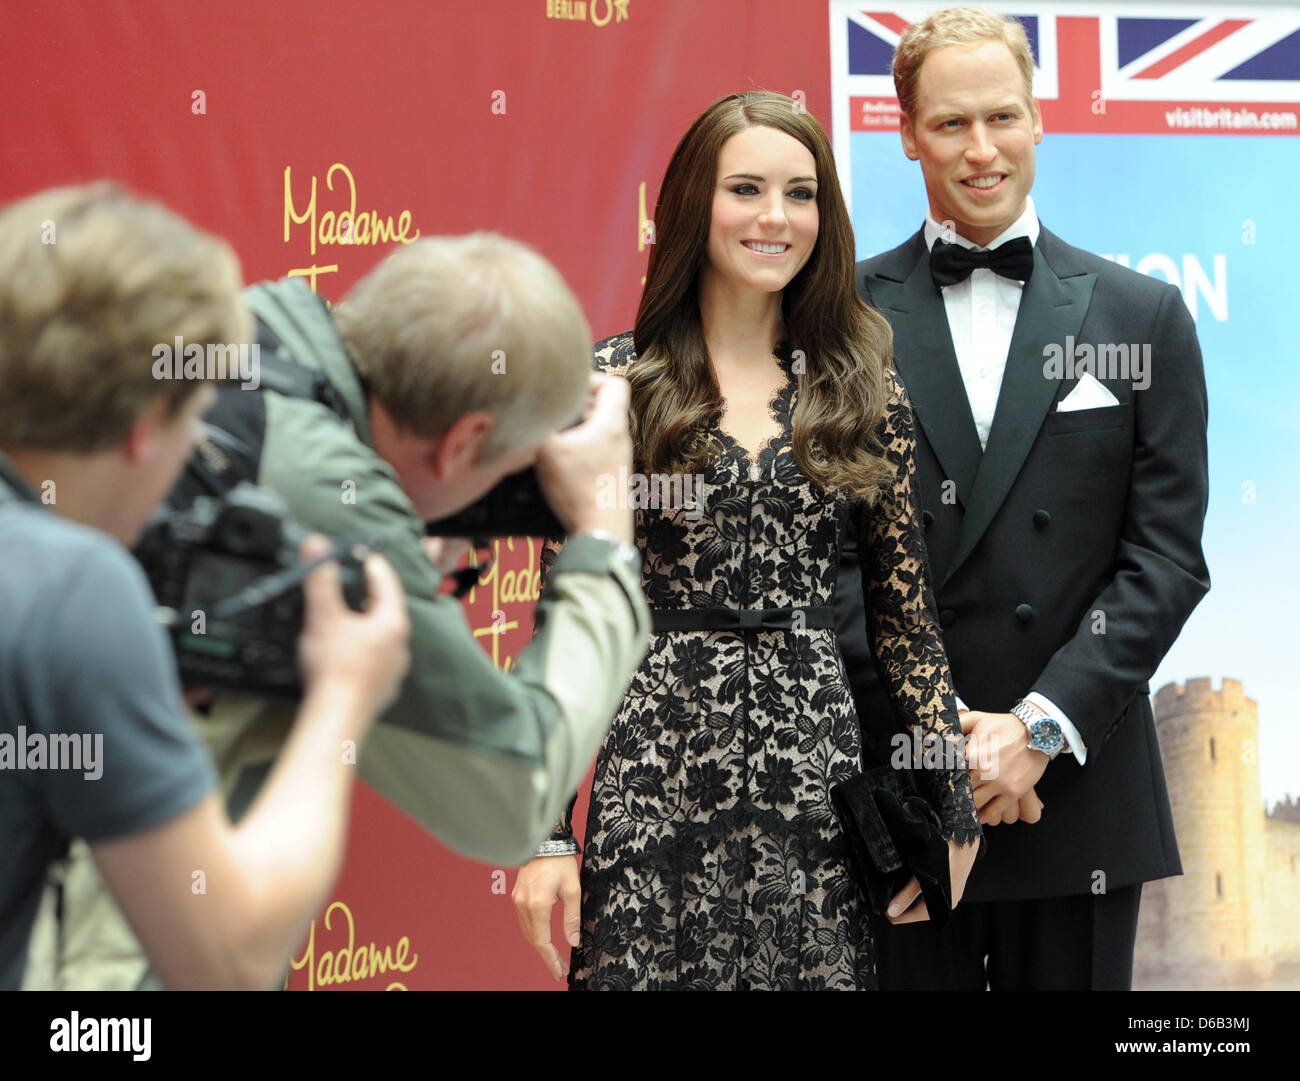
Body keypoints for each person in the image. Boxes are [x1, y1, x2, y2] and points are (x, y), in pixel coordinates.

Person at [24, 230, 652, 989]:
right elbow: (508, 796)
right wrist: (604, 537)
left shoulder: (257, 326)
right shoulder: (326, 494)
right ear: (463, 444)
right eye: (511, 471)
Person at [512, 91, 983, 990]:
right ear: (694, 203)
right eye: (747, 189)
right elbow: (564, 623)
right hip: (653, 774)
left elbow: (905, 624)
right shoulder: (610, 386)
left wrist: (952, 808)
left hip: (814, 776)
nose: (777, 217)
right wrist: (543, 833)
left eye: (801, 194)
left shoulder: (862, 392)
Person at [834, 8, 1210, 991]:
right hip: (908, 789)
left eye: (1001, 117)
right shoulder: (839, 320)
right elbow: (825, 560)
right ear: (904, 131)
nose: (981, 149)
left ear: (1038, 119)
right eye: (950, 125)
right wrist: (940, 738)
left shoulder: (1143, 315)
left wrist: (1036, 729)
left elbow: (1163, 559)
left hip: (1077, 794)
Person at [0, 182, 411, 990]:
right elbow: (229, 958)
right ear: (144, 425)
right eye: (193, 420)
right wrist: (344, 696)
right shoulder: (73, 591)